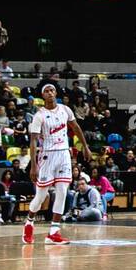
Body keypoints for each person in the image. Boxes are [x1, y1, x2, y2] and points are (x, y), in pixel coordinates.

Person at [23, 83, 92, 246]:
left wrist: (85, 147)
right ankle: (29, 222)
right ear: (42, 96)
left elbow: (76, 128)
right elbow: (33, 142)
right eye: (46, 91)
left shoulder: (65, 110)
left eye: (52, 90)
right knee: (41, 196)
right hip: (47, 155)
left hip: (64, 154)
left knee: (62, 191)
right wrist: (33, 165)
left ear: (56, 93)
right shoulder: (39, 115)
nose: (50, 93)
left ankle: (53, 232)